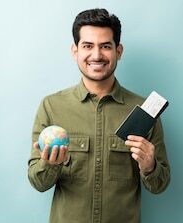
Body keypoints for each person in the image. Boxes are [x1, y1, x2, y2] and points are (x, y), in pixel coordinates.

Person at [28, 8, 170, 223]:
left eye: (105, 46)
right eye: (87, 46)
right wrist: (50, 165)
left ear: (118, 51)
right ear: (75, 51)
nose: (96, 55)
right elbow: (38, 183)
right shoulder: (51, 106)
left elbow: (160, 185)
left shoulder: (145, 111)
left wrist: (150, 166)